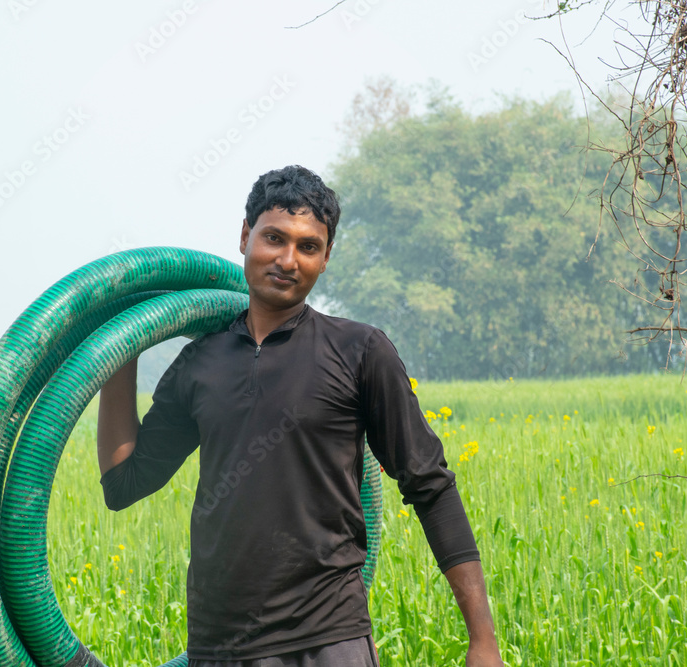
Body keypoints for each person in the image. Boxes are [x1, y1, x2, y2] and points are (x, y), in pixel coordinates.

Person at [97, 165, 503, 666]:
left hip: (328, 640)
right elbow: (124, 483)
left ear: (326, 257)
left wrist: (483, 641)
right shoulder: (201, 362)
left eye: (308, 246)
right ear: (246, 236)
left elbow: (431, 485)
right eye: (273, 238)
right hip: (218, 645)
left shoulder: (359, 351)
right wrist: (119, 348)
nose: (288, 260)